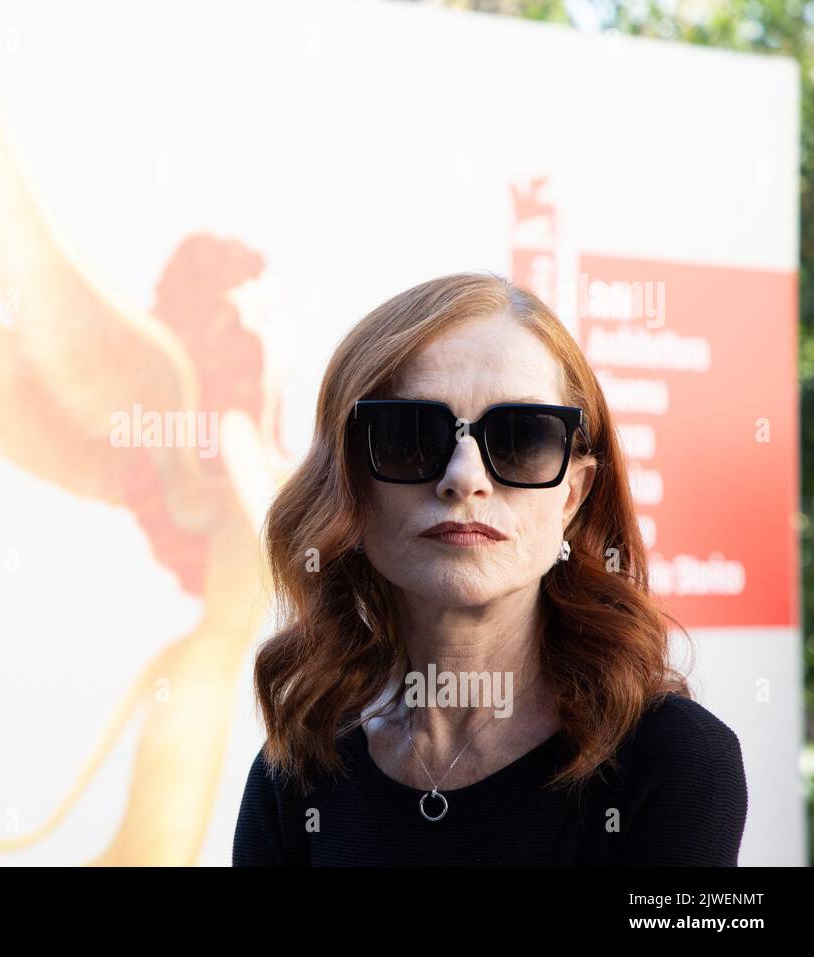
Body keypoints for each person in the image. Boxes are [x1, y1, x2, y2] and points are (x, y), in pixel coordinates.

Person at [232, 271, 747, 866]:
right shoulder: (296, 774)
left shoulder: (673, 759)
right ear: (348, 486)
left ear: (572, 498)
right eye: (410, 435)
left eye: (521, 439)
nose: (465, 479)